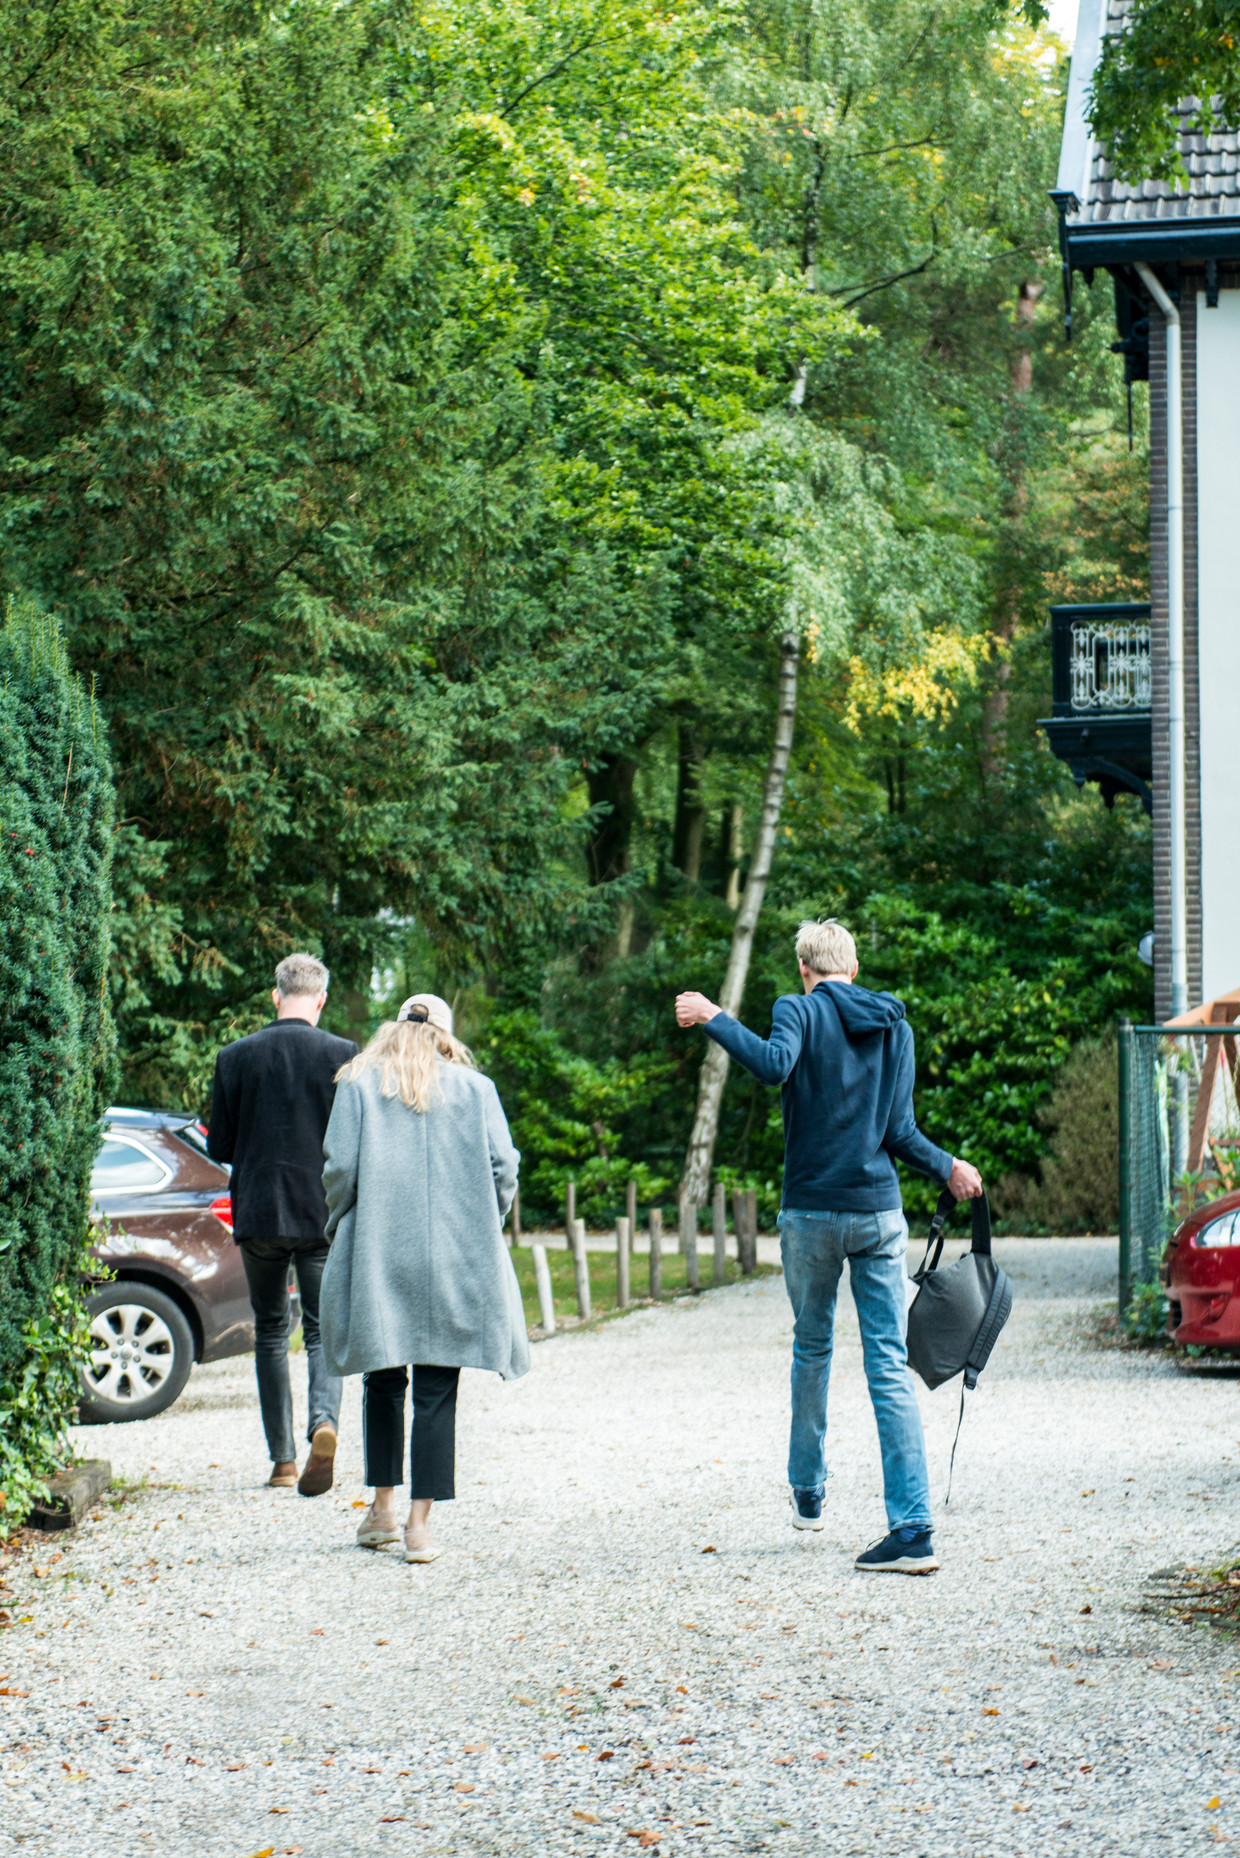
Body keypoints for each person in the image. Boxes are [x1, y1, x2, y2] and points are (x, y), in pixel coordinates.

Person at [675, 918, 982, 1576]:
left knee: (812, 1345)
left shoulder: (799, 1010)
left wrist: (713, 1016)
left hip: (812, 1212)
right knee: (888, 1365)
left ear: (804, 968)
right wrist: (947, 1165)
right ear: (854, 965)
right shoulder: (893, 1025)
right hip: (877, 1213)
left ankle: (809, 1494)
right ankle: (912, 1527)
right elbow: (900, 1130)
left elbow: (772, 1065)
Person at [319, 993, 527, 1564]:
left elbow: (338, 1169)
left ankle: (381, 1510)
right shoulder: (474, 1089)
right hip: (457, 1254)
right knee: (437, 1390)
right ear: (443, 1034)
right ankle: (419, 1528)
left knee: (383, 1382)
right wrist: (489, 1217)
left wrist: (342, 1219)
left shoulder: (359, 1083)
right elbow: (504, 1166)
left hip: (379, 1250)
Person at [208, 953, 359, 1495]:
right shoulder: (344, 1055)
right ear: (319, 999)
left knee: (272, 1331)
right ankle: (325, 1421)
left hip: (259, 1211)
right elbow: (352, 1142)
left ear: (276, 995)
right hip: (319, 1214)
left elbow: (219, 1144)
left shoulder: (235, 1056)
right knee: (322, 1329)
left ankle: (282, 1462)